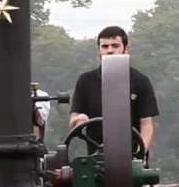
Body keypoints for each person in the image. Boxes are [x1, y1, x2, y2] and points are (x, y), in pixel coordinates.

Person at [68, 25, 160, 154]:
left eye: (115, 46)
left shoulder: (140, 81)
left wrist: (141, 153)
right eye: (105, 46)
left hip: (132, 157)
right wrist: (79, 120)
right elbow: (74, 120)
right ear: (99, 51)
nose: (110, 50)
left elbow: (147, 124)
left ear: (126, 49)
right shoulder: (85, 81)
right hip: (95, 157)